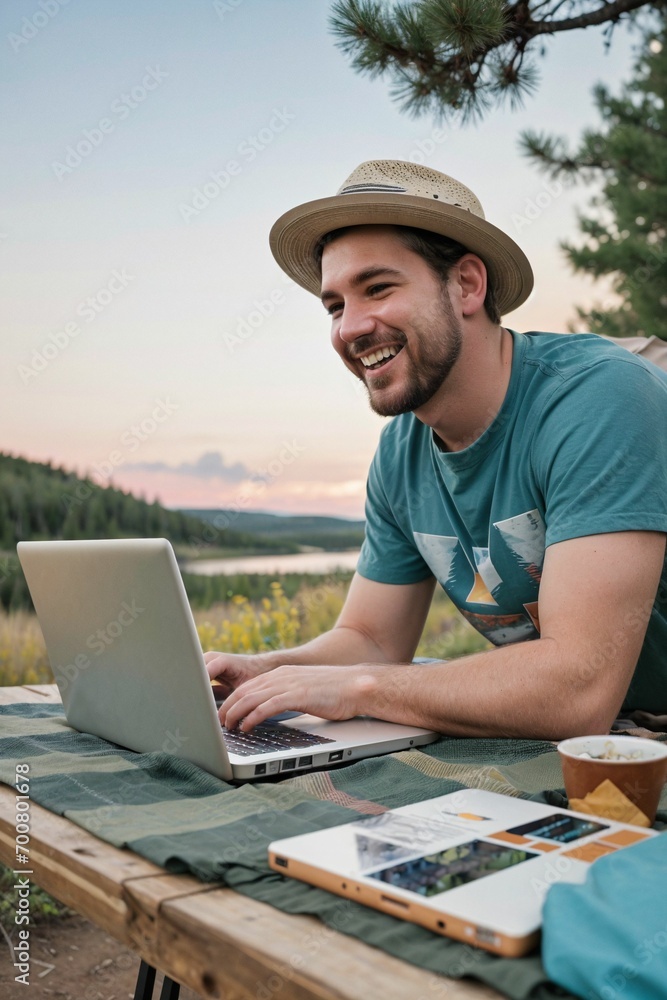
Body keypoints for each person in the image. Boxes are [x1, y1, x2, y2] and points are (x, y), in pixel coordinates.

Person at [207, 160, 667, 740]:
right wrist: (265, 670)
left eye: (377, 288)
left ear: (468, 284)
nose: (350, 328)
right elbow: (372, 640)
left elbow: (578, 689)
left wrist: (359, 690)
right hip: (611, 740)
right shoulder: (400, 455)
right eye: (334, 305)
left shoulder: (599, 397)